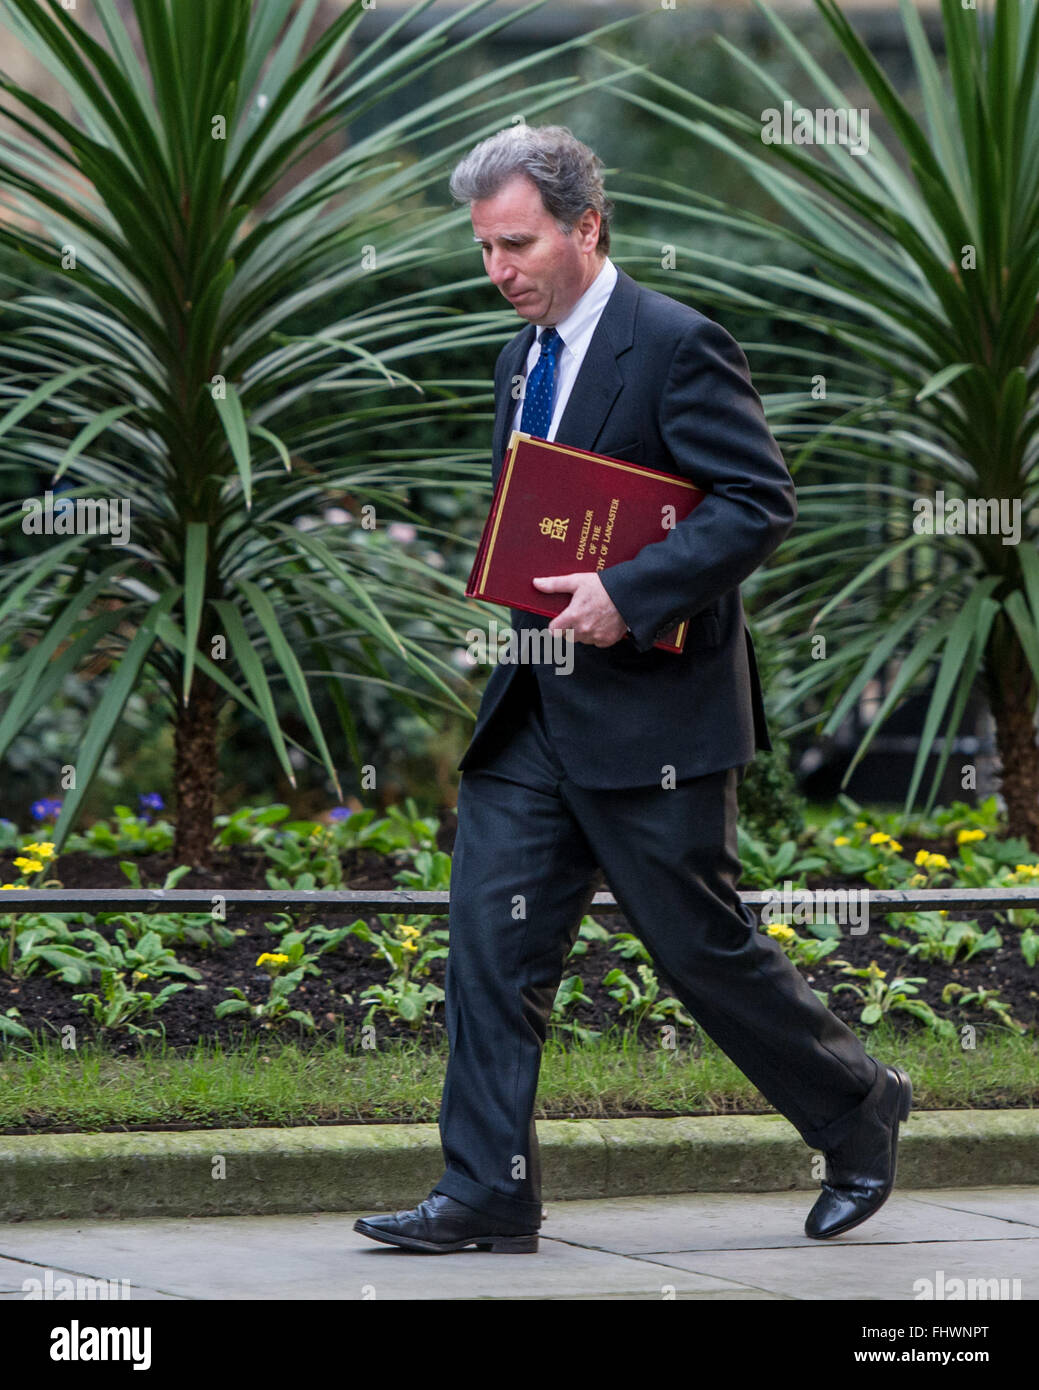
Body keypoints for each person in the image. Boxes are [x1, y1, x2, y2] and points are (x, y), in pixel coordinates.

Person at [354, 124, 910, 1255]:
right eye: (484, 249)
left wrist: (630, 589)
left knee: (696, 946)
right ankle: (487, 1192)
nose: (497, 270)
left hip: (655, 716)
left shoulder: (675, 344)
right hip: (532, 709)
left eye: (516, 244)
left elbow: (755, 502)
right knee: (488, 945)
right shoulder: (520, 358)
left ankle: (858, 1107)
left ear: (585, 228)